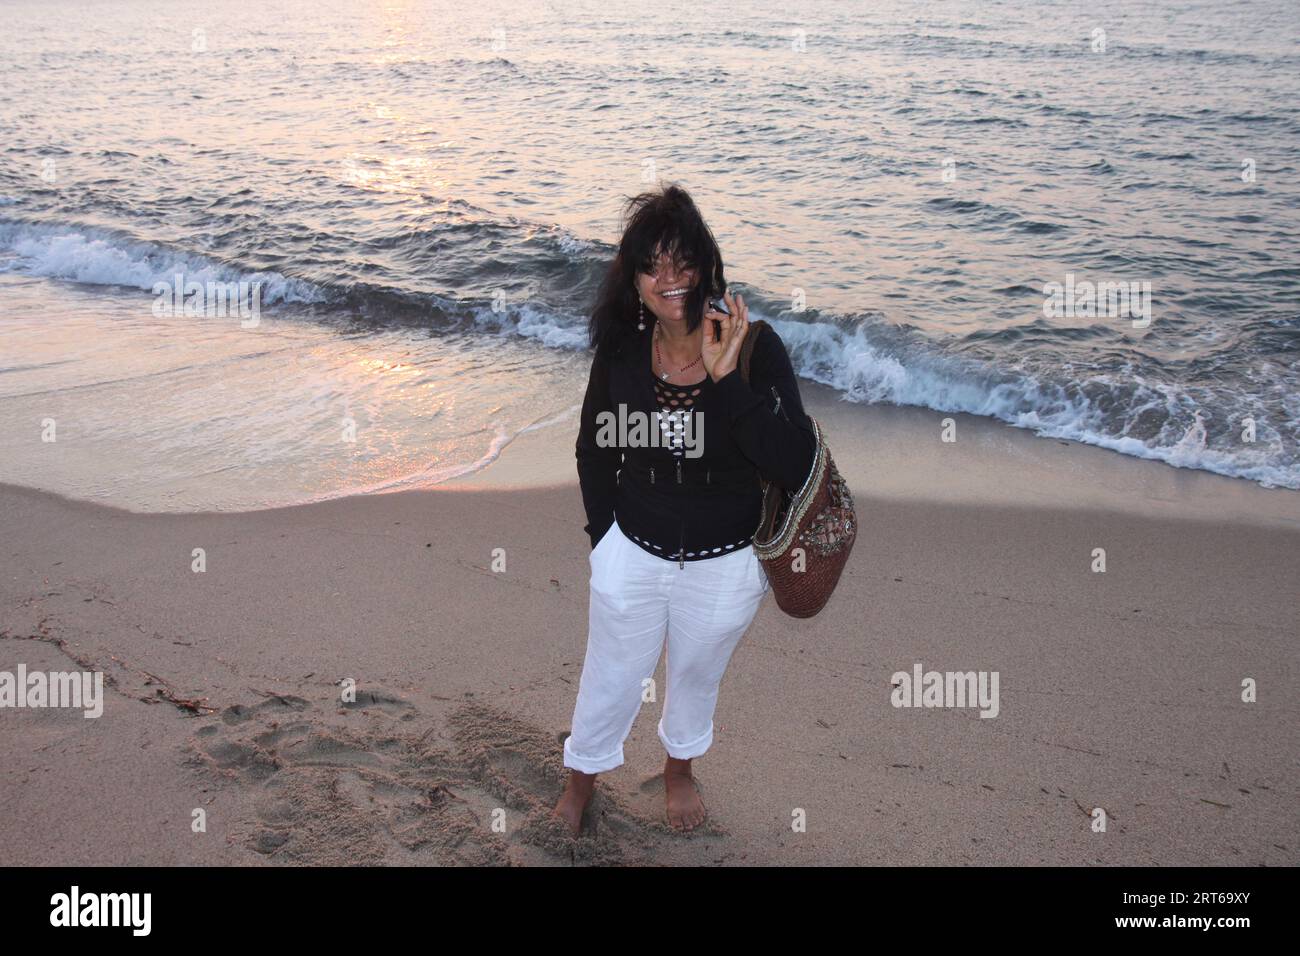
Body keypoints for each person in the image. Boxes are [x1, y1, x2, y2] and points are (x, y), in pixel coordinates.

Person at [552, 184, 816, 836]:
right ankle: (580, 779)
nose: (668, 279)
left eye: (681, 261)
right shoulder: (619, 348)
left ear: (706, 265)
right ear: (635, 277)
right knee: (610, 675)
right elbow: (593, 447)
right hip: (632, 548)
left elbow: (793, 461)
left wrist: (727, 382)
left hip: (724, 563)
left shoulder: (756, 349)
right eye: (652, 265)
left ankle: (678, 772)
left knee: (696, 675)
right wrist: (604, 538)